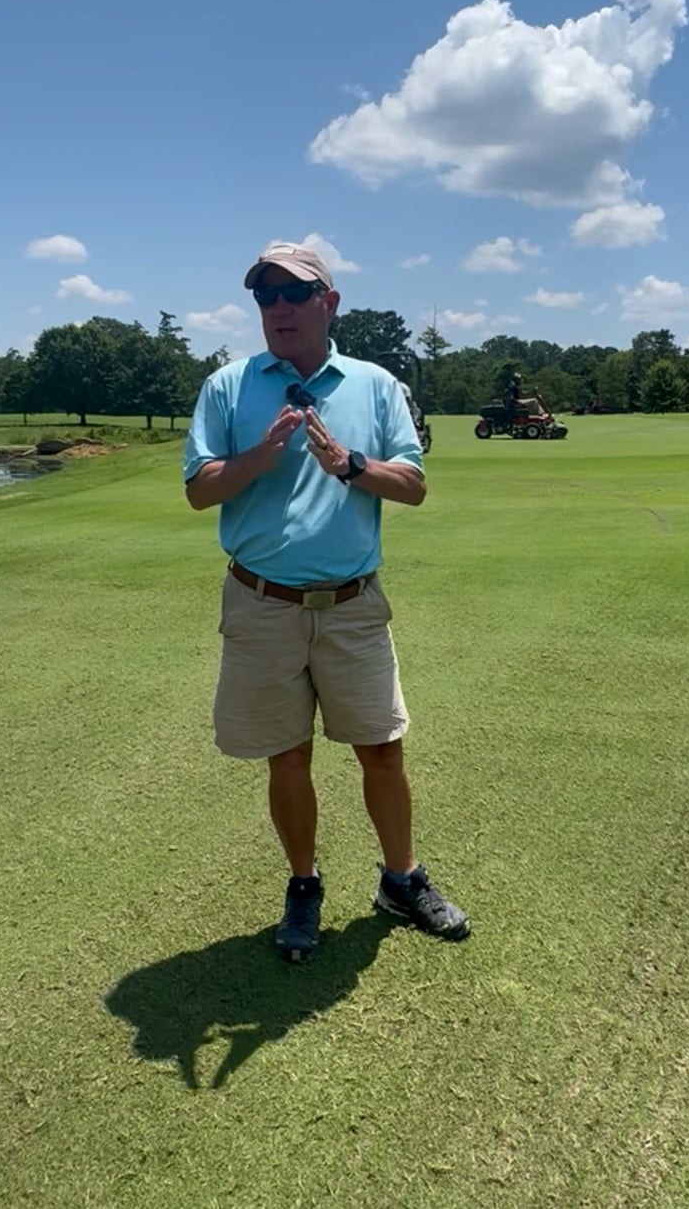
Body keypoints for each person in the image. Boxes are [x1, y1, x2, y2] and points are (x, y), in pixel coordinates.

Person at [181, 239, 472, 962]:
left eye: (293, 293)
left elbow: (414, 484)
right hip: (262, 603)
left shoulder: (375, 385)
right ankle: (304, 885)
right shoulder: (228, 387)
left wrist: (351, 463)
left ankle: (401, 881)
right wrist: (261, 456)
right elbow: (198, 489)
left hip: (351, 606)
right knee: (287, 756)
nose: (277, 307)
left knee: (381, 747)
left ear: (328, 302)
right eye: (264, 295)